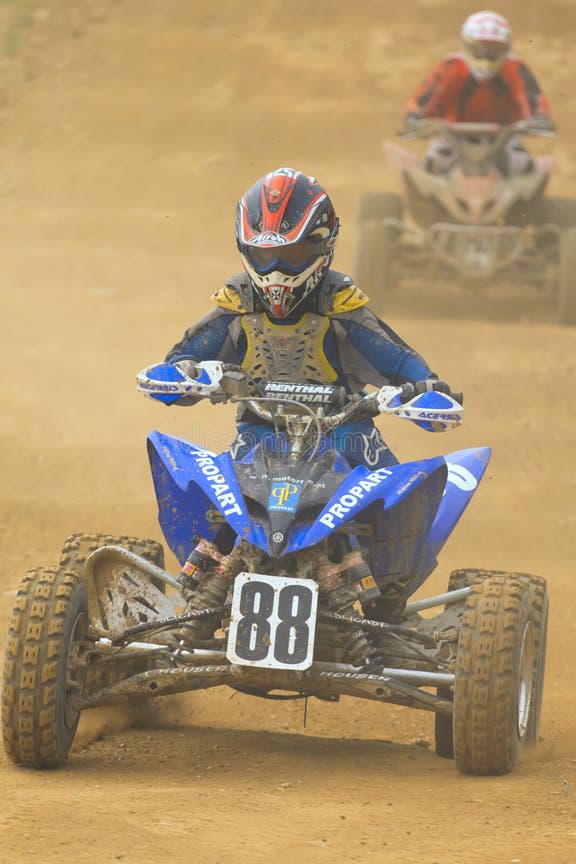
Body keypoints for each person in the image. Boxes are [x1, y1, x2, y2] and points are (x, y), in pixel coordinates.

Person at [162, 166, 456, 471]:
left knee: (396, 493)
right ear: (245, 248)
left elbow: (399, 364)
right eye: (264, 255)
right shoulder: (239, 304)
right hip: (260, 434)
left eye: (293, 253)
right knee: (216, 497)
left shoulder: (339, 306)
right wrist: (181, 374)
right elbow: (182, 361)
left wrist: (426, 388)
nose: (276, 268)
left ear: (322, 245)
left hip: (346, 435)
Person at [404, 10, 554, 175]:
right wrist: (414, 116)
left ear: (506, 49)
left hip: (502, 136)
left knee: (523, 167)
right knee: (435, 166)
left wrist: (539, 118)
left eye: (493, 50)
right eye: (479, 49)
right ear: (465, 47)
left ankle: (524, 200)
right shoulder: (451, 67)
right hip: (453, 134)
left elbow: (533, 100)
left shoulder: (515, 68)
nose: (485, 58)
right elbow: (425, 98)